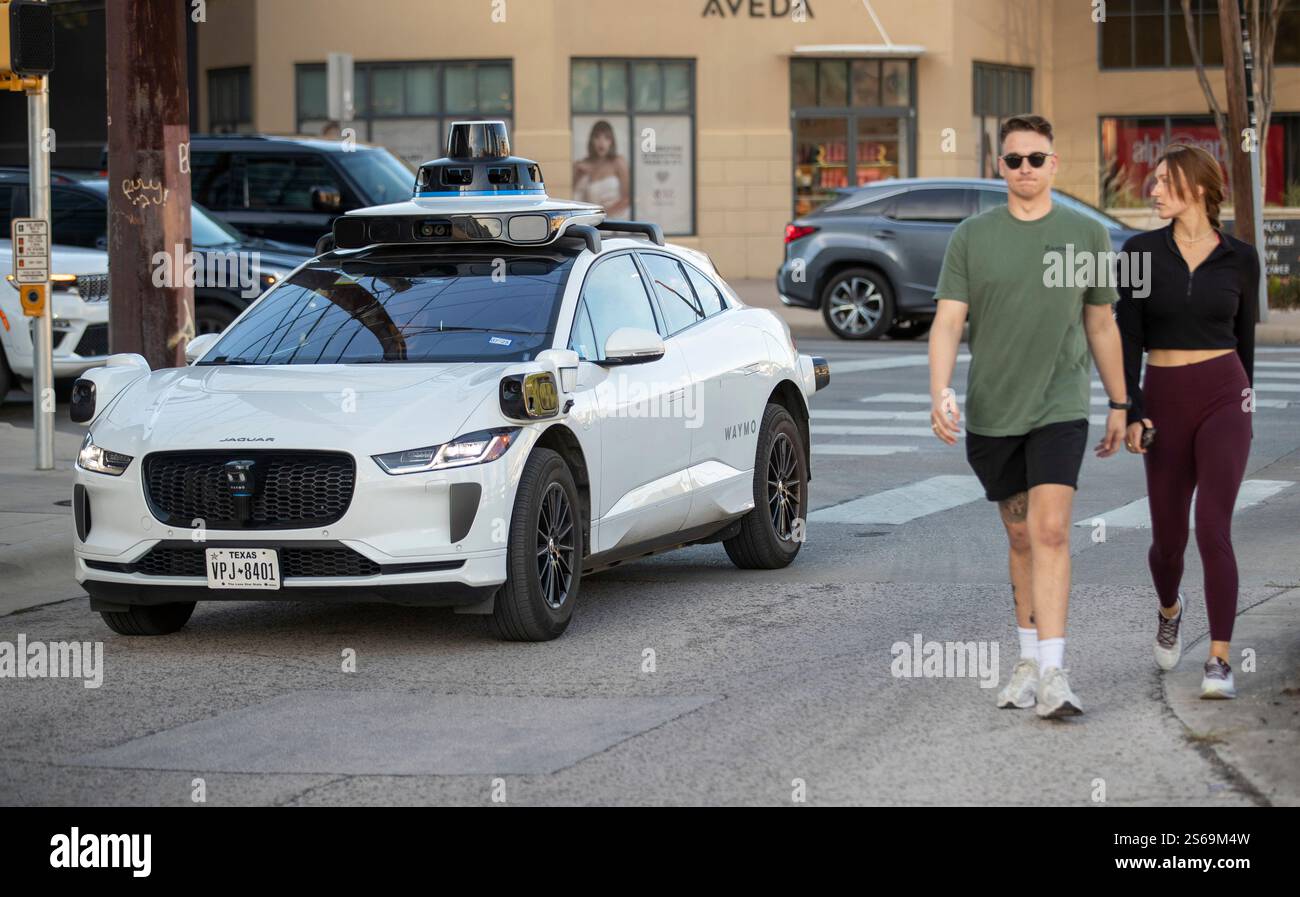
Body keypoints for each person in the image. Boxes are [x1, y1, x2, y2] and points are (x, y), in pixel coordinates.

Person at [929, 114, 1129, 719]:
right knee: (1019, 536)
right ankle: (1025, 658)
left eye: (1035, 159)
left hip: (1060, 404)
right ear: (1000, 166)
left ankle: (1054, 673)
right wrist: (939, 390)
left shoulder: (1086, 235)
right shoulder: (972, 237)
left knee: (1050, 532)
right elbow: (947, 320)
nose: (1024, 169)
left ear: (1054, 164)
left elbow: (1100, 322)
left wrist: (1121, 401)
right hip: (993, 411)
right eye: (1013, 160)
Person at [1116, 144, 1259, 700]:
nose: (1151, 190)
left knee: (1213, 527)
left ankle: (1219, 659)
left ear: (1197, 187)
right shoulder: (1140, 253)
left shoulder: (1240, 258)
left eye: (1162, 181)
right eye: (1152, 182)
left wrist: (1247, 404)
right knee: (1169, 540)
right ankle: (1170, 608)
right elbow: (1128, 337)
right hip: (1164, 398)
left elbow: (1245, 341)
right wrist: (1132, 409)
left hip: (1225, 396)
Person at [573, 120, 630, 218]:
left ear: (611, 142)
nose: (601, 142)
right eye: (597, 137)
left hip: (618, 220)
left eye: (606, 138)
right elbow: (573, 195)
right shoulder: (583, 165)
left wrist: (605, 214)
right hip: (593, 221)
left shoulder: (617, 162)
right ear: (592, 140)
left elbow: (627, 198)